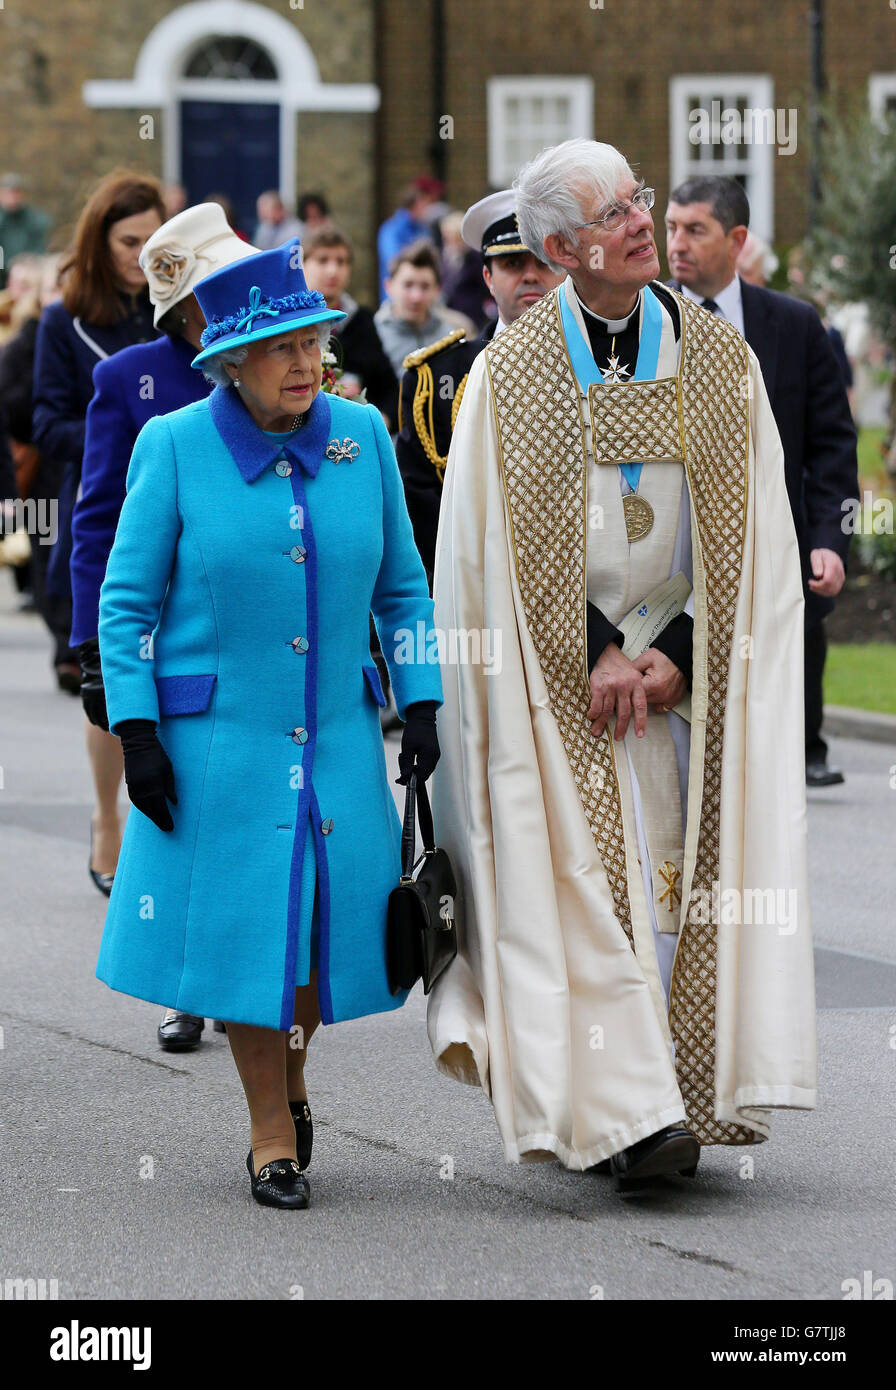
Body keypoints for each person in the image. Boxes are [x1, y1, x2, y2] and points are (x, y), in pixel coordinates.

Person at [427, 138, 817, 1189]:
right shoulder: (505, 377)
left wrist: (679, 657)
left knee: (680, 881)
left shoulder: (714, 355)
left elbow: (753, 536)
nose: (642, 221)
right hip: (560, 690)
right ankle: (627, 1113)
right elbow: (488, 556)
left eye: (639, 198)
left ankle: (681, 1092)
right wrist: (592, 649)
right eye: (614, 214)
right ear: (560, 247)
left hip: (682, 678)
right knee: (585, 888)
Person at [95, 239, 443, 1209]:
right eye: (281, 347)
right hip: (219, 744)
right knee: (260, 934)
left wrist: (419, 699)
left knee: (323, 929)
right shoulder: (172, 447)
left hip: (334, 735)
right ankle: (268, 1132)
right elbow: (124, 608)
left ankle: (290, 1083)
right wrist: (136, 730)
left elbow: (403, 591)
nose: (306, 362)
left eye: (315, 340)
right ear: (227, 361)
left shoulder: (359, 436)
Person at [71, 203, 259, 1051]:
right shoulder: (131, 380)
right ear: (185, 303)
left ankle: (241, 981)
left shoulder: (275, 362)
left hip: (255, 636)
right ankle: (183, 985)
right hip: (171, 640)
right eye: (219, 283)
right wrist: (96, 649)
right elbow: (97, 520)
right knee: (180, 822)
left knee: (246, 826)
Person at [665, 176, 859, 788]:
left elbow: (832, 444)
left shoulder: (796, 326)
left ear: (737, 239)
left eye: (695, 229)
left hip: (774, 552)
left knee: (769, 760)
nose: (677, 244)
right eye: (671, 227)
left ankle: (803, 748)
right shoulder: (644, 323)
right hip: (669, 555)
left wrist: (830, 538)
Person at [31, 170, 163, 893]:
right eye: (127, 242)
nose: (140, 257)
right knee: (108, 673)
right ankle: (106, 814)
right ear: (100, 242)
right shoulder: (64, 320)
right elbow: (44, 421)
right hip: (101, 510)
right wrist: (121, 433)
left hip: (182, 512)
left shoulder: (185, 313)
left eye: (152, 242)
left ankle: (154, 822)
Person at [396, 190, 562, 582]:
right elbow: (420, 509)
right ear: (487, 277)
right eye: (512, 263)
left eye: (543, 261)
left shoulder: (604, 368)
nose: (530, 275)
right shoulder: (434, 379)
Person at [302, 224, 398, 426]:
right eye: (323, 260)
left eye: (341, 261)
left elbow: (388, 387)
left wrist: (383, 420)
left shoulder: (362, 321)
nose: (333, 270)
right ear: (302, 265)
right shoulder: (289, 324)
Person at [374, 241, 458, 380]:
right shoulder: (373, 335)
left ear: (437, 291)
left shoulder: (451, 337)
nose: (416, 297)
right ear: (388, 286)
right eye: (408, 285)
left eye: (425, 287)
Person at [376, 177, 442, 299]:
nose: (429, 209)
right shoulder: (391, 230)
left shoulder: (424, 229)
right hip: (395, 299)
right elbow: (393, 261)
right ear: (417, 203)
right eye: (427, 203)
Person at [0, 174, 51, 289]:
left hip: (28, 276)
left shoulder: (33, 220)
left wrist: (25, 264)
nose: (12, 197)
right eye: (8, 193)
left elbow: (39, 248)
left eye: (16, 193)